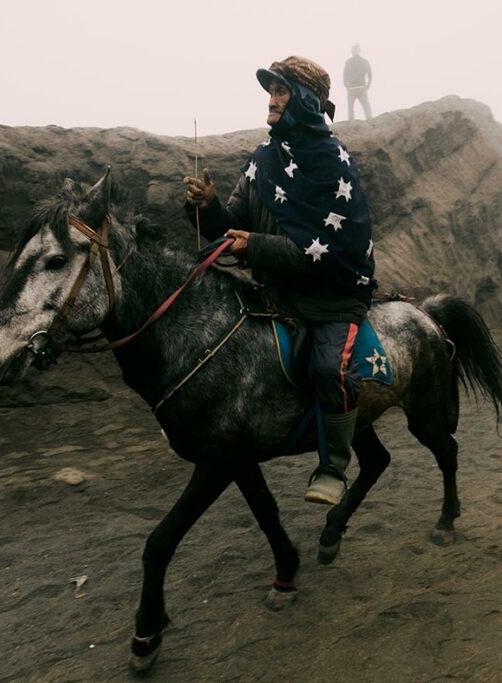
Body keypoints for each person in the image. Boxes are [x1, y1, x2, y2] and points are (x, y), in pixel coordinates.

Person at [183, 56, 376, 506]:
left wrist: (254, 246)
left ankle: (332, 467)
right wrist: (207, 207)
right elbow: (231, 225)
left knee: (330, 369)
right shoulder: (262, 162)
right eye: (270, 91)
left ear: (305, 101)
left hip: (331, 294)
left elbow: (330, 250)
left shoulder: (335, 165)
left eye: (280, 91)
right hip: (275, 292)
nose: (271, 99)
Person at [343, 44, 372, 121]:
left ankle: (368, 120)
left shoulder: (361, 61)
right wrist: (346, 85)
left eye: (356, 50)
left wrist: (368, 85)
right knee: (353, 108)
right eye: (355, 50)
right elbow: (345, 74)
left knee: (364, 106)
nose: (355, 51)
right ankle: (352, 122)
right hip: (355, 88)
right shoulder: (351, 62)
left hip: (359, 88)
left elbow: (370, 74)